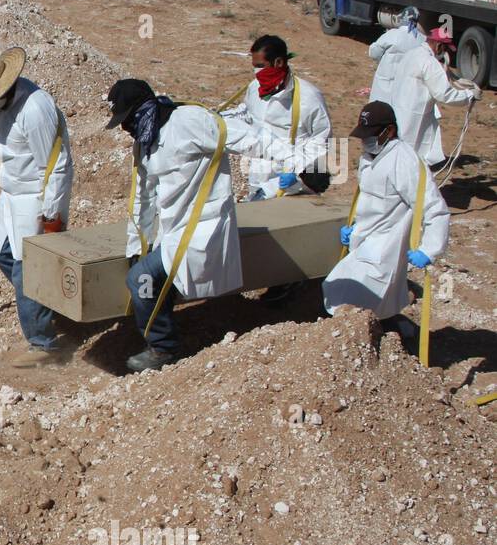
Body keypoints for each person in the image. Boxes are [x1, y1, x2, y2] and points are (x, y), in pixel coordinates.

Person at [108, 79, 256, 372]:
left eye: (128, 120)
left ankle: (164, 348)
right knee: (150, 281)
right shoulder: (146, 140)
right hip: (173, 229)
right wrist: (136, 245)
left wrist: (305, 164)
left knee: (141, 279)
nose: (126, 129)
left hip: (202, 227)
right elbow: (142, 198)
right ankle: (165, 332)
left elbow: (250, 139)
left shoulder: (191, 122)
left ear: (142, 110)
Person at [0, 48, 74, 368]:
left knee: (28, 270)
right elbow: (11, 148)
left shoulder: (36, 109)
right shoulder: (7, 104)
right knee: (2, 256)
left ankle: (44, 344)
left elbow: (56, 166)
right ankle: (45, 302)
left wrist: (51, 214)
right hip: (10, 195)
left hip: (33, 198)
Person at [323, 101, 449, 339]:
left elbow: (434, 208)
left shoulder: (405, 162)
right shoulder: (370, 156)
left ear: (389, 131)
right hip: (365, 239)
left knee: (354, 297)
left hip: (386, 246)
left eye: (371, 135)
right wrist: (355, 227)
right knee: (343, 289)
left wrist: (429, 249)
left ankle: (382, 343)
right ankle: (390, 330)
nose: (365, 141)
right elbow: (369, 199)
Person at [223, 34, 332, 200]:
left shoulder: (309, 98)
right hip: (258, 177)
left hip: (290, 185)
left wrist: (297, 174)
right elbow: (246, 113)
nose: (256, 73)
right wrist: (217, 117)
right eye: (254, 67)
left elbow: (321, 142)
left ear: (279, 62)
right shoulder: (255, 88)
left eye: (260, 66)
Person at [388, 25, 480, 167]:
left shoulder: (412, 53)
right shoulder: (430, 63)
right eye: (446, 48)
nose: (446, 52)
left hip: (399, 108)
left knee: (400, 150)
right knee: (412, 154)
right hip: (414, 115)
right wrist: (469, 95)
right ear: (438, 45)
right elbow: (444, 94)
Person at [369, 7, 426, 103]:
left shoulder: (392, 34)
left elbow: (374, 53)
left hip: (384, 86)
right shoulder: (422, 40)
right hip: (407, 90)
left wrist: (381, 61)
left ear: (402, 18)